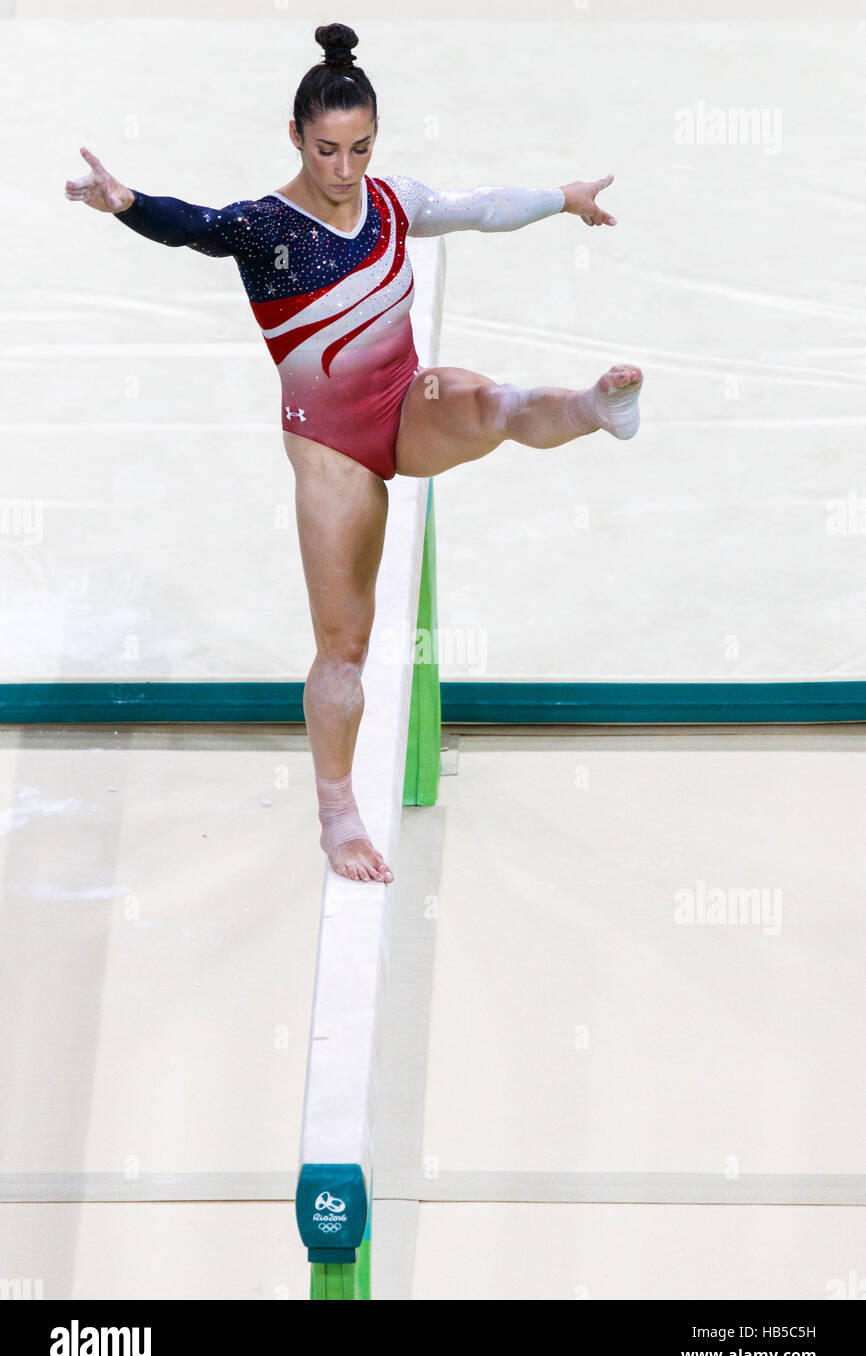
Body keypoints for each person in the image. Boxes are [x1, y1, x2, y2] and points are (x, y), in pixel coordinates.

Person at [64, 21, 643, 887]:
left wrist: (563, 196)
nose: (345, 170)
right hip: (332, 451)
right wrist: (128, 205)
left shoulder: (391, 201)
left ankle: (596, 407)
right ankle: (337, 813)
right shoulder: (265, 228)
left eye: (361, 148)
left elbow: (479, 207)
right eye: (329, 149)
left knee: (486, 401)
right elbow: (198, 227)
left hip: (407, 406)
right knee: (346, 643)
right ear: (296, 137)